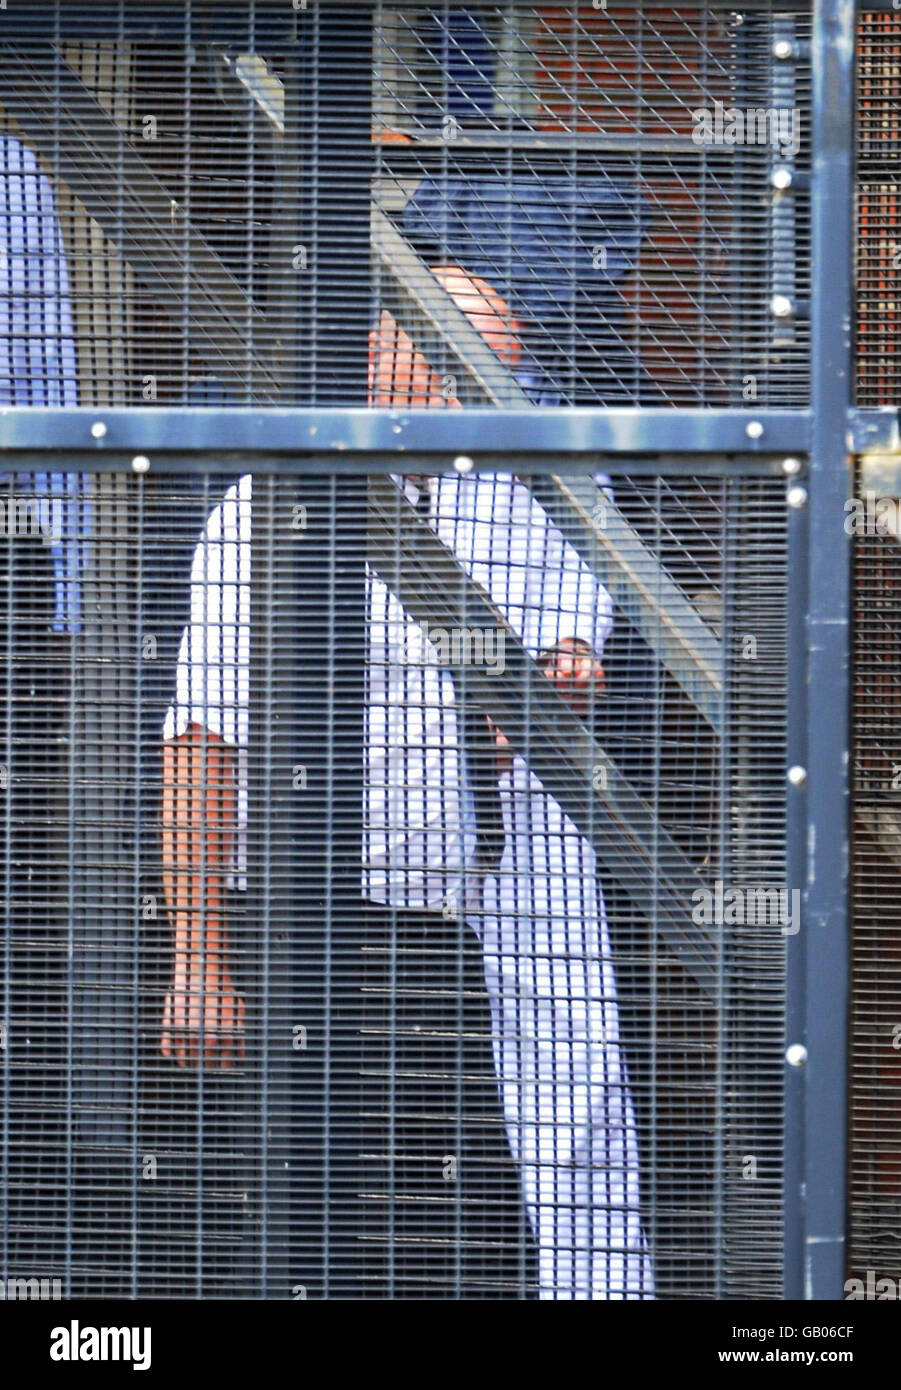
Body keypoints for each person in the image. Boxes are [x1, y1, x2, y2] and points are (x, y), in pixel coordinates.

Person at [161, 266, 651, 1299]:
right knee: (322, 1164)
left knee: (576, 1102)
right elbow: (201, 739)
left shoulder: (545, 482)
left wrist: (559, 679)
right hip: (327, 871)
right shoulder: (262, 511)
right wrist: (198, 956)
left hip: (505, 846)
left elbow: (572, 652)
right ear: (387, 363)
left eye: (504, 379)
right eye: (469, 374)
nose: (490, 402)